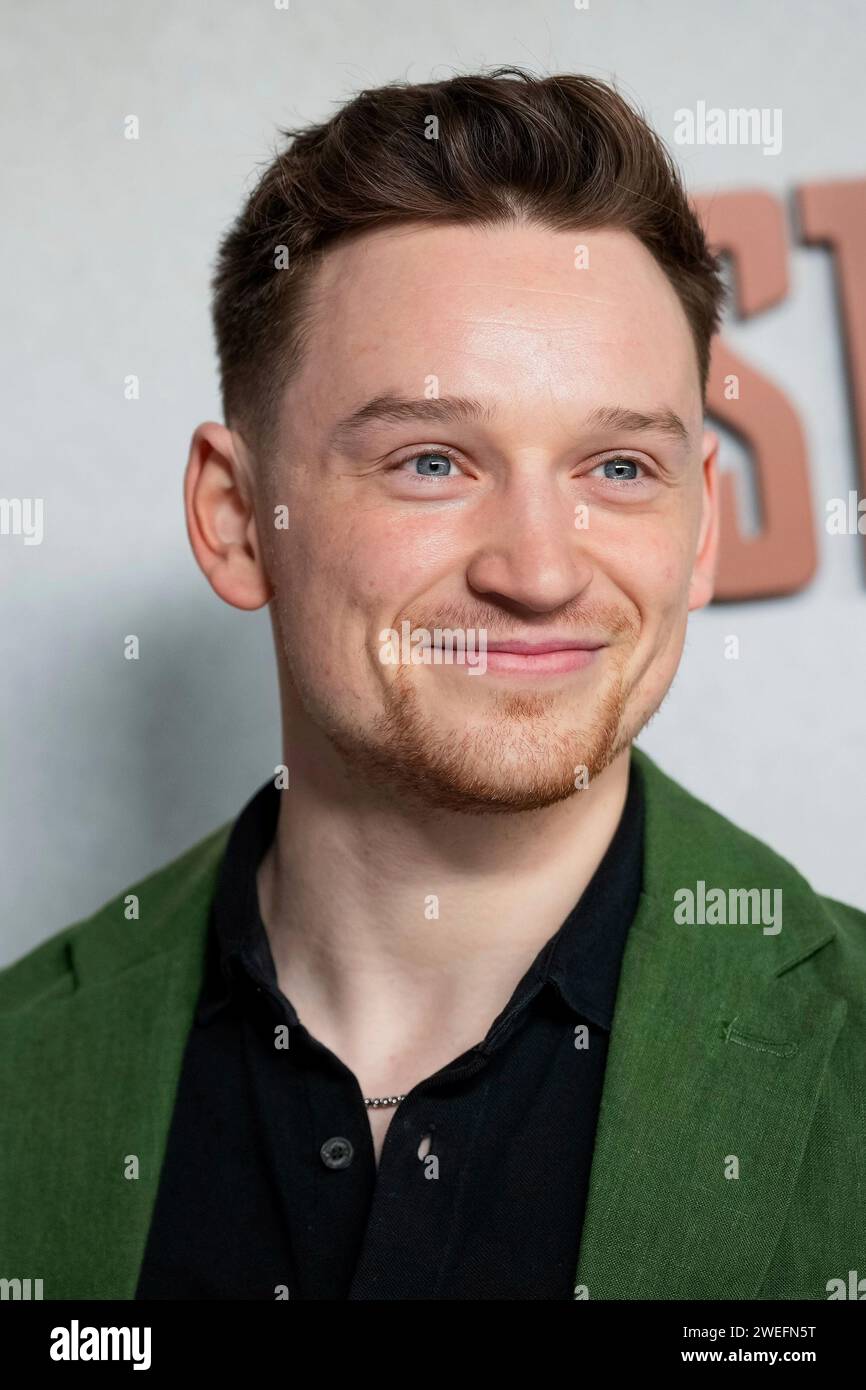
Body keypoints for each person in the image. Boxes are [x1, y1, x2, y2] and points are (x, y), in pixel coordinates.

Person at [1, 68, 863, 1302]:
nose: (539, 570)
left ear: (700, 530)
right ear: (237, 517)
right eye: (429, 461)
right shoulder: (24, 1067)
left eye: (618, 467)